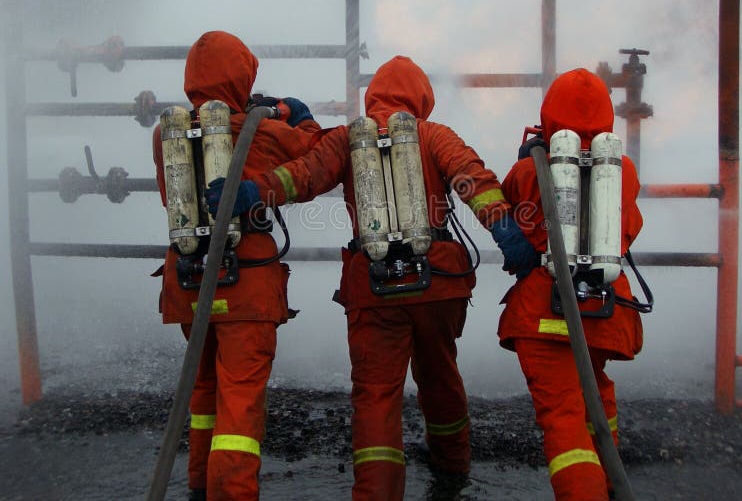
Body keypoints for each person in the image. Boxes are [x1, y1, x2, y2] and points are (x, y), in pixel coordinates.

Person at [205, 55, 538, 500]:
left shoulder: (347, 140)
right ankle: (452, 468)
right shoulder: (433, 133)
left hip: (374, 288)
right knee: (439, 377)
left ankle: (377, 491)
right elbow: (471, 180)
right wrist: (505, 228)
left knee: (377, 397)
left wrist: (251, 193)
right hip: (437, 284)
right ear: (421, 98)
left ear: (372, 96)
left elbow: (302, 177)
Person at [152, 30, 320, 500]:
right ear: (242, 76)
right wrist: (300, 114)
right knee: (240, 407)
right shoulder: (259, 131)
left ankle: (200, 485)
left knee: (204, 390)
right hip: (244, 285)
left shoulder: (165, 134)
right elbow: (317, 156)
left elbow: (173, 198)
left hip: (188, 282)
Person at [497, 68, 644, 500]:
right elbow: (628, 229)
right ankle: (609, 481)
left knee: (563, 419)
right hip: (603, 310)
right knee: (595, 395)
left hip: (546, 314)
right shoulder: (624, 172)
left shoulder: (529, 170)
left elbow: (515, 210)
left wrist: (529, 156)